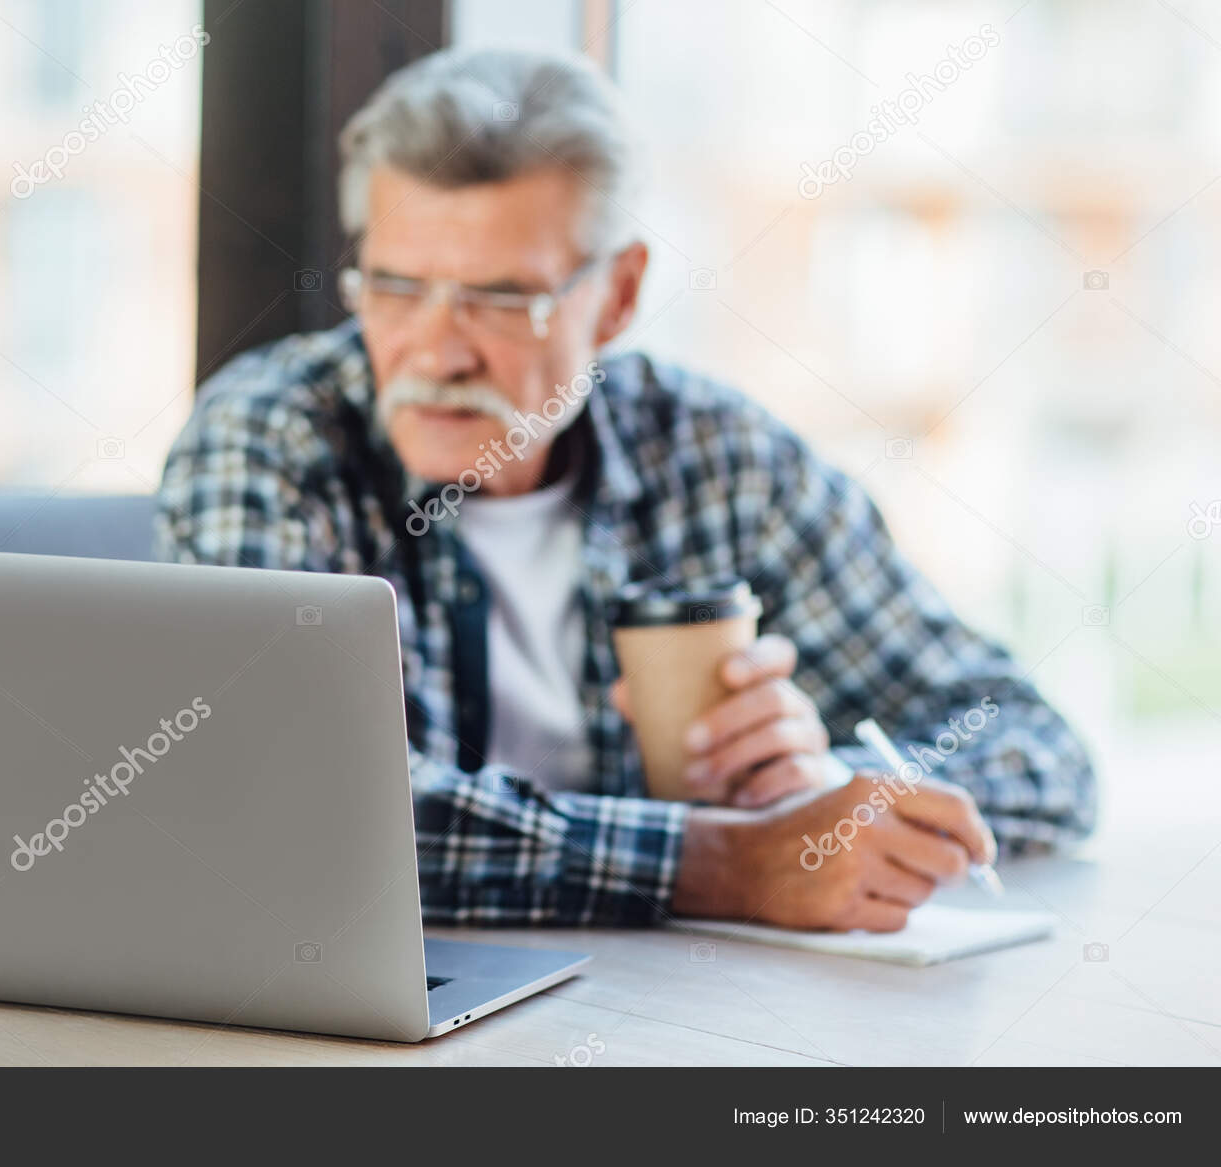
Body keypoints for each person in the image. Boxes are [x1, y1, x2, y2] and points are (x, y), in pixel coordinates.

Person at [151, 47, 1095, 931]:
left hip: (679, 1013)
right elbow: (284, 807)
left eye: (499, 299)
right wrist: (728, 861)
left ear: (619, 295)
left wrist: (822, 794)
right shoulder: (271, 436)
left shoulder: (719, 456)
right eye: (396, 286)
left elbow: (1035, 745)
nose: (435, 350)